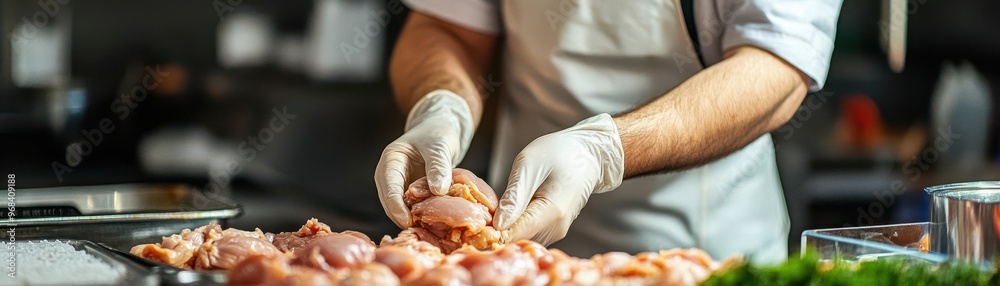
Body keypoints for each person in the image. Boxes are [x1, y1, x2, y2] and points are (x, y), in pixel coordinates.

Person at [375, 0, 841, 263]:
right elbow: (445, 29)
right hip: (522, 255)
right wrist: (441, 103)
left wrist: (603, 151)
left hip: (701, 255)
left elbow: (774, 67)